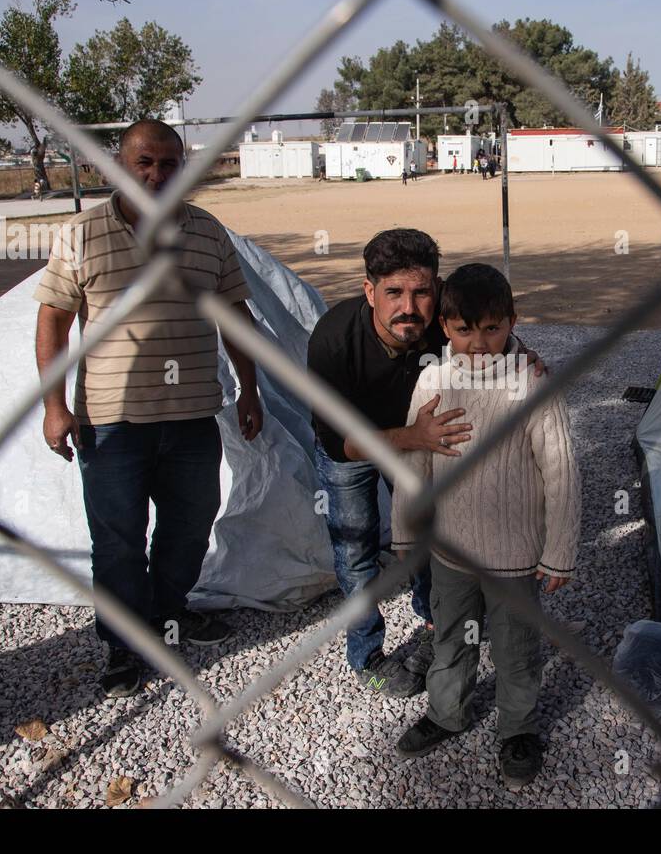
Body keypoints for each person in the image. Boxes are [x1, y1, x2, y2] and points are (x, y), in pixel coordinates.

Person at [33, 119, 264, 699]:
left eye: (168, 164)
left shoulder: (208, 233)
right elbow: (54, 322)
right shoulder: (81, 235)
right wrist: (53, 406)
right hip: (110, 424)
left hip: (191, 420)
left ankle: (169, 611)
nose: (157, 174)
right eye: (144, 163)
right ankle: (122, 645)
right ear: (119, 165)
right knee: (117, 539)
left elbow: (236, 316)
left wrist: (251, 388)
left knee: (189, 527)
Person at [306, 230, 545, 697]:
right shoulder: (332, 341)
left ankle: (437, 624)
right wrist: (412, 436)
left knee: (423, 541)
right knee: (355, 553)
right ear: (369, 290)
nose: (409, 307)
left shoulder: (442, 323)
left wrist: (523, 358)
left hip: (416, 445)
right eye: (393, 292)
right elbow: (339, 445)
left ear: (437, 290)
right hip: (356, 447)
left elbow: (489, 337)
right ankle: (367, 654)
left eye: (421, 292)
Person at [391, 263, 580, 788]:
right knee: (451, 639)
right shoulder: (434, 378)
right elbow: (416, 464)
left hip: (516, 559)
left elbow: (561, 467)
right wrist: (406, 532)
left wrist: (559, 549)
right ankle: (445, 713)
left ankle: (516, 729)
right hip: (452, 553)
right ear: (445, 327)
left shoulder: (533, 381)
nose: (478, 342)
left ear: (512, 322)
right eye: (464, 329)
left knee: (517, 646)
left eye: (492, 328)